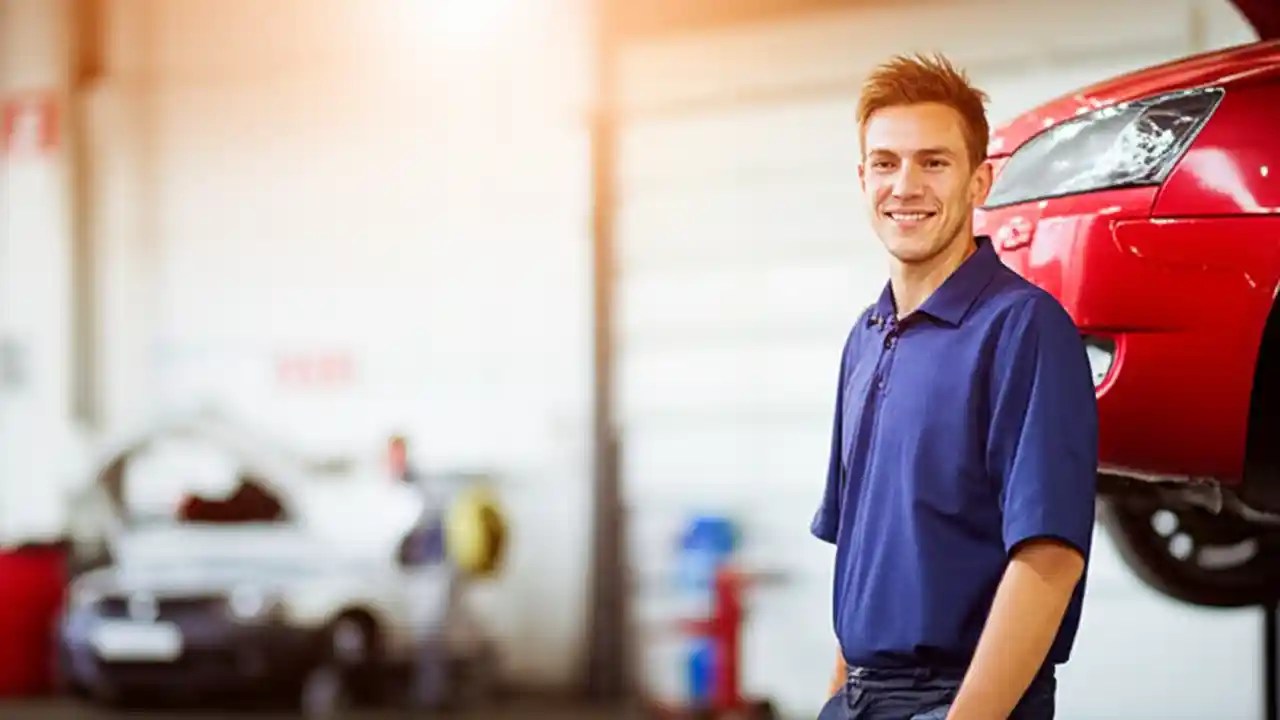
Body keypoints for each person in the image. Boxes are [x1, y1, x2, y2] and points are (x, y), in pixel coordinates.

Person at [812, 53, 1098, 720]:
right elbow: (861, 556)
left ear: (979, 182)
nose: (905, 185)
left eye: (933, 162)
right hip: (860, 701)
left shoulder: (1025, 328)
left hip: (957, 702)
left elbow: (1049, 558)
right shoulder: (866, 337)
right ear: (863, 179)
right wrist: (834, 699)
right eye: (885, 163)